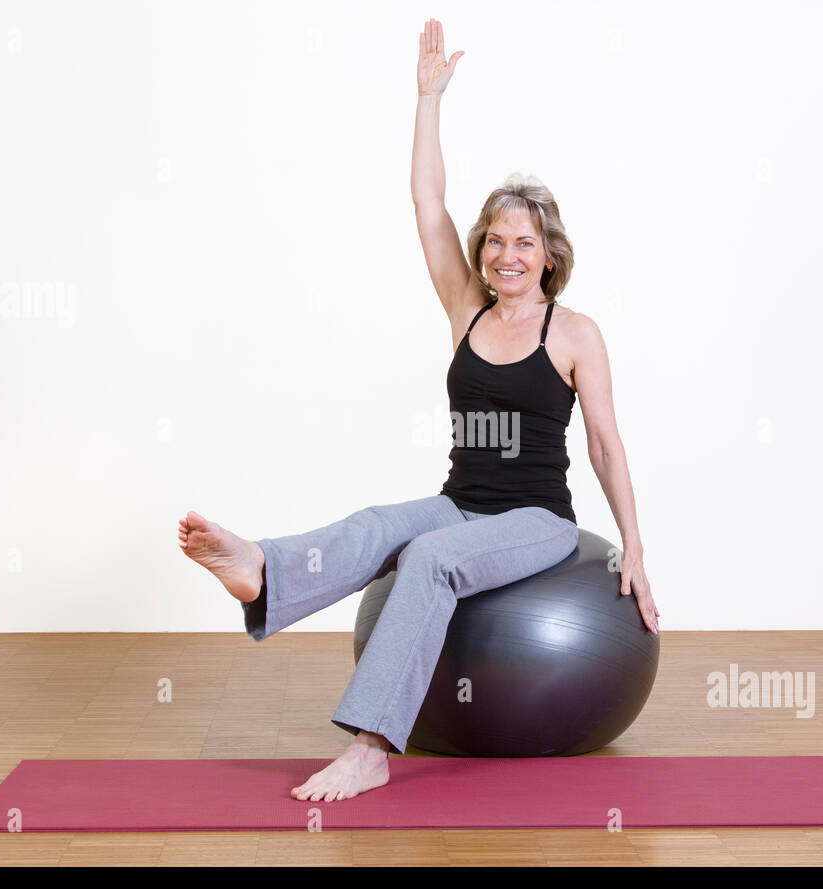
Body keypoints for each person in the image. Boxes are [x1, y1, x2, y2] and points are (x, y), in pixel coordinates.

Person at [178, 18, 658, 802]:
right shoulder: (467, 309)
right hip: (459, 502)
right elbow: (427, 199)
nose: (508, 255)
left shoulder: (573, 333)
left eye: (525, 244)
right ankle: (264, 570)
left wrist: (635, 546)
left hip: (537, 519)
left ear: (550, 254)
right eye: (497, 240)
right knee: (375, 525)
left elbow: (606, 444)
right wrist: (427, 99)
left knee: (429, 563)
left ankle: (370, 747)